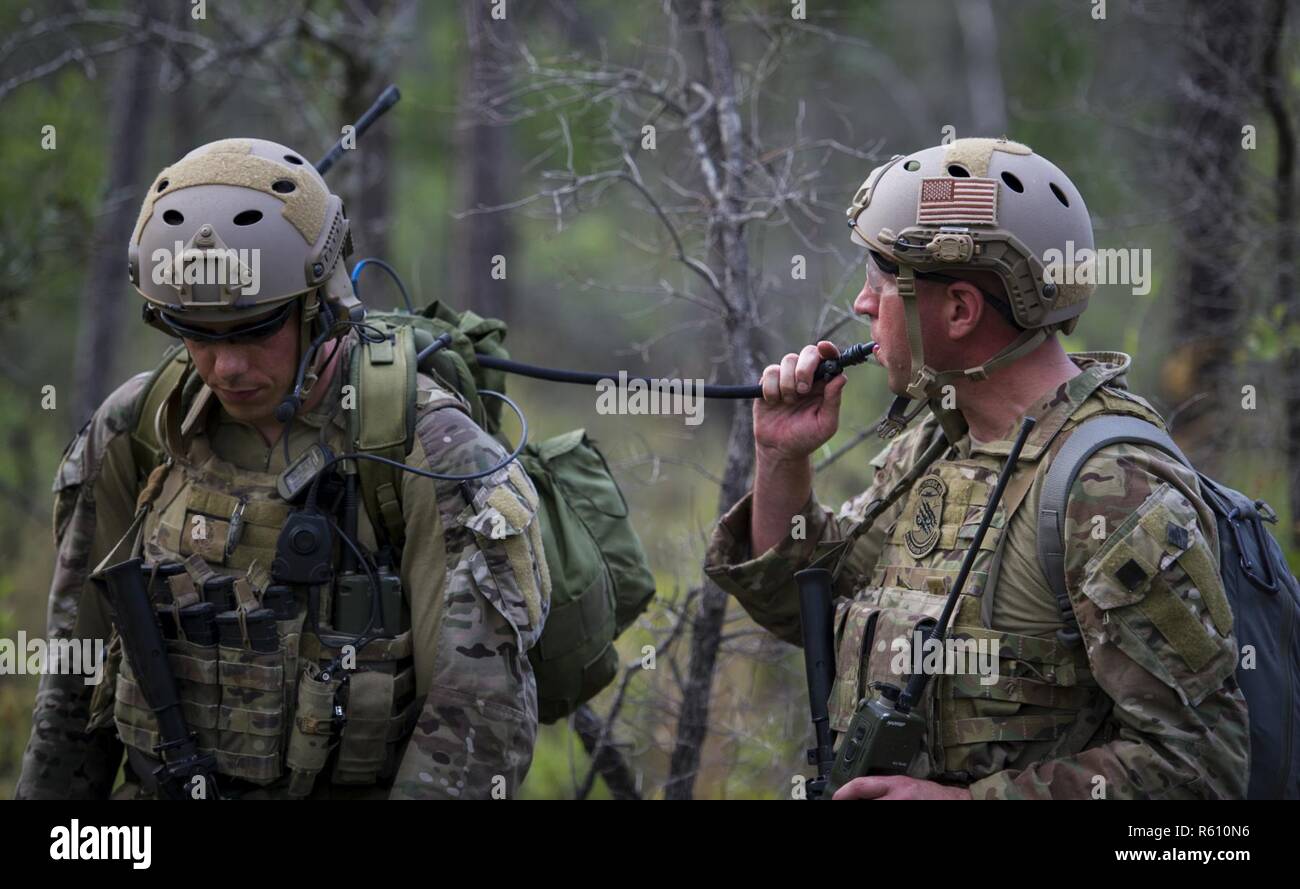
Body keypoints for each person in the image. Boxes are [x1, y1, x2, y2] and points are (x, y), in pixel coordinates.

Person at [704, 137, 1249, 799]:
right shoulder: (937, 443)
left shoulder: (1108, 487)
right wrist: (781, 458)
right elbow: (798, 608)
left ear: (959, 310)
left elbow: (1206, 767)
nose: (861, 303)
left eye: (881, 277)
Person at [16, 138, 550, 800]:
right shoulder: (138, 427)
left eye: (254, 328)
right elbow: (73, 686)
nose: (227, 367)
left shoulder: (429, 450)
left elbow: (477, 724)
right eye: (198, 332)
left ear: (321, 304)